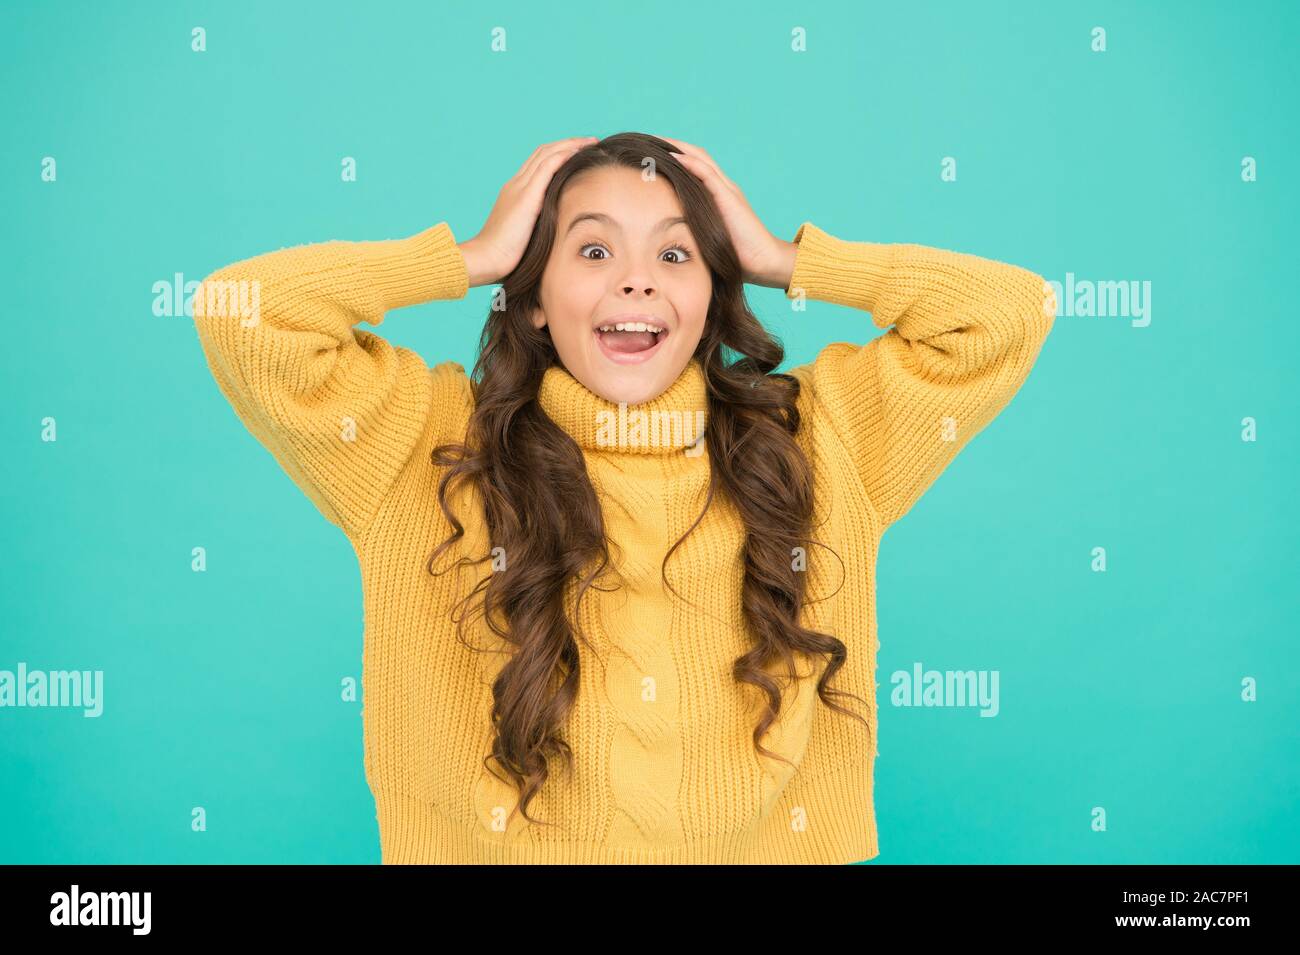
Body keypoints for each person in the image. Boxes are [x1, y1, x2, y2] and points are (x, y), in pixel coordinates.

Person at [192, 131, 1055, 864]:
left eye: (677, 254)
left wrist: (786, 258)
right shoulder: (422, 440)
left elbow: (1007, 313)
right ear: (532, 299)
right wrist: (471, 257)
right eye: (595, 249)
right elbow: (245, 314)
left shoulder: (823, 438)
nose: (638, 281)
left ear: (712, 294)